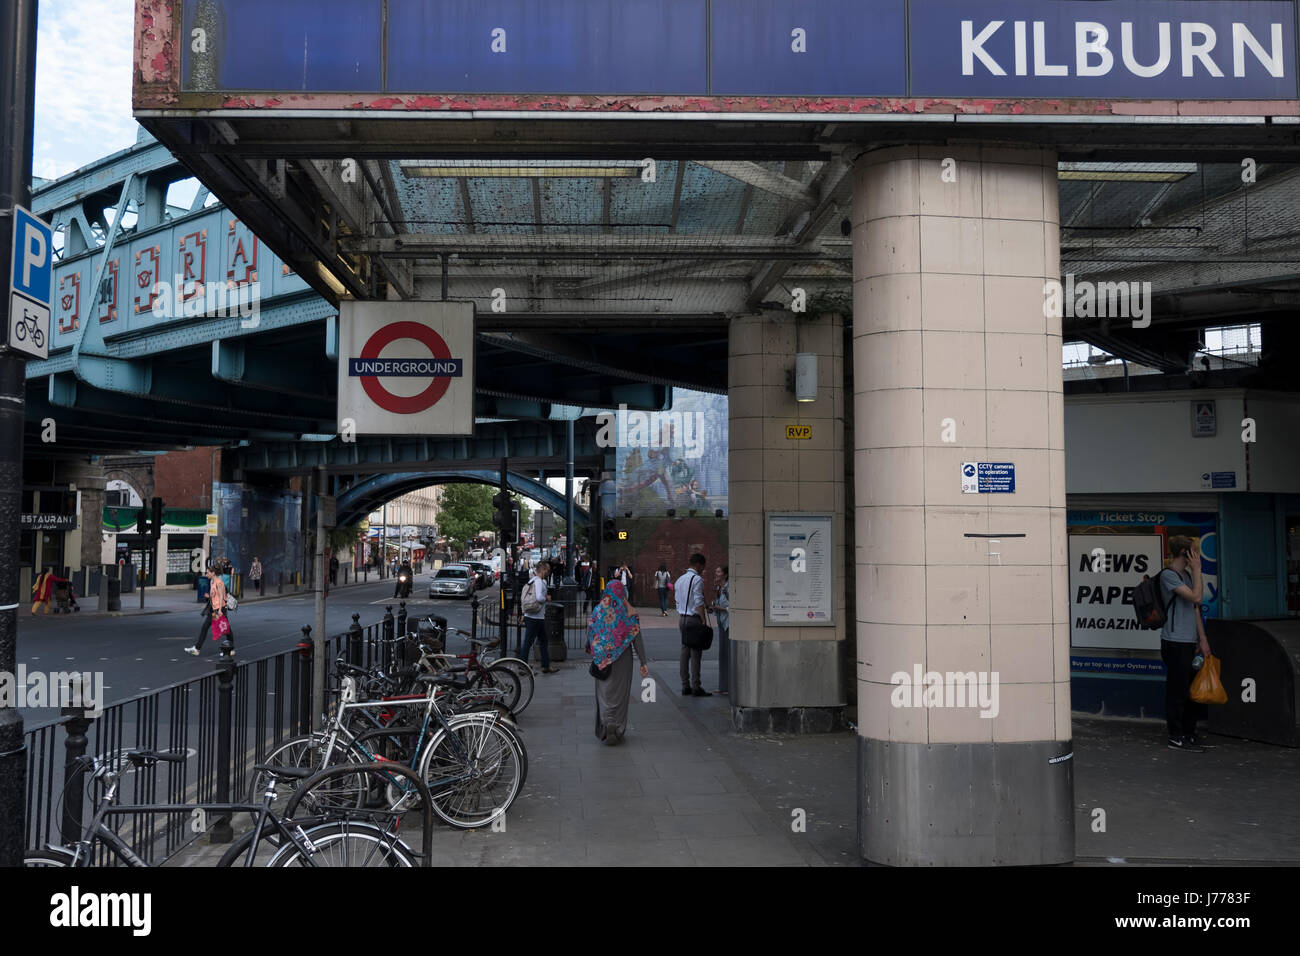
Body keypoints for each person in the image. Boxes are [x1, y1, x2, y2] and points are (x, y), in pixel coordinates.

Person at [1159, 536, 1212, 751]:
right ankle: (1175, 736)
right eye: (1193, 551)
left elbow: (1195, 610)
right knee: (1177, 691)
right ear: (1184, 553)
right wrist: (1199, 571)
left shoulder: (1187, 576)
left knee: (1193, 691)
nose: (1196, 555)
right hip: (1174, 641)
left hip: (1189, 641)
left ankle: (1189, 732)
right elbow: (1196, 598)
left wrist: (1202, 638)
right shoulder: (1168, 576)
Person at [588, 580, 650, 746]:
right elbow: (637, 638)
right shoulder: (628, 612)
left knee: (604, 692)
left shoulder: (598, 611)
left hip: (603, 660)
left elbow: (591, 633)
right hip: (623, 659)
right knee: (621, 694)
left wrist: (596, 652)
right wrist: (643, 662)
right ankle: (617, 726)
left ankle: (607, 722)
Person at [675, 553, 710, 697]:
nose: (703, 569)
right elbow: (698, 601)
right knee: (696, 653)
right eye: (703, 566)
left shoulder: (680, 579)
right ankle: (696, 686)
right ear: (699, 565)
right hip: (693, 619)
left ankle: (685, 686)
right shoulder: (697, 579)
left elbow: (677, 599)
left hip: (682, 618)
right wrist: (703, 619)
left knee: (685, 651)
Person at [520, 560, 557, 674]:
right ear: (543, 570)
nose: (549, 572)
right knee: (528, 643)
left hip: (534, 616)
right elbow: (539, 598)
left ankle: (545, 666)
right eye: (548, 570)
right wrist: (547, 598)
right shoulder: (539, 581)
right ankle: (522, 667)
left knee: (543, 641)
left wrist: (523, 614)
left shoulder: (532, 580)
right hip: (535, 618)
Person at [188, 566, 234, 657]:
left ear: (213, 573)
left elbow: (221, 596)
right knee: (206, 627)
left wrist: (220, 610)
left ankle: (230, 649)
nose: (206, 574)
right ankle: (197, 648)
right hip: (214, 609)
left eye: (208, 572)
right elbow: (215, 595)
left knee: (226, 629)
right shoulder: (212, 581)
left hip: (219, 609)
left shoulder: (219, 582)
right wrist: (209, 596)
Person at [709, 566, 730, 695]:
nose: (716, 573)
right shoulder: (719, 588)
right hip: (721, 624)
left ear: (725, 575)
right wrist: (713, 608)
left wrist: (718, 607)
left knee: (727, 654)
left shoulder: (728, 589)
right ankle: (723, 686)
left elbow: (731, 608)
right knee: (722, 655)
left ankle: (728, 687)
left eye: (718, 571)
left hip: (728, 624)